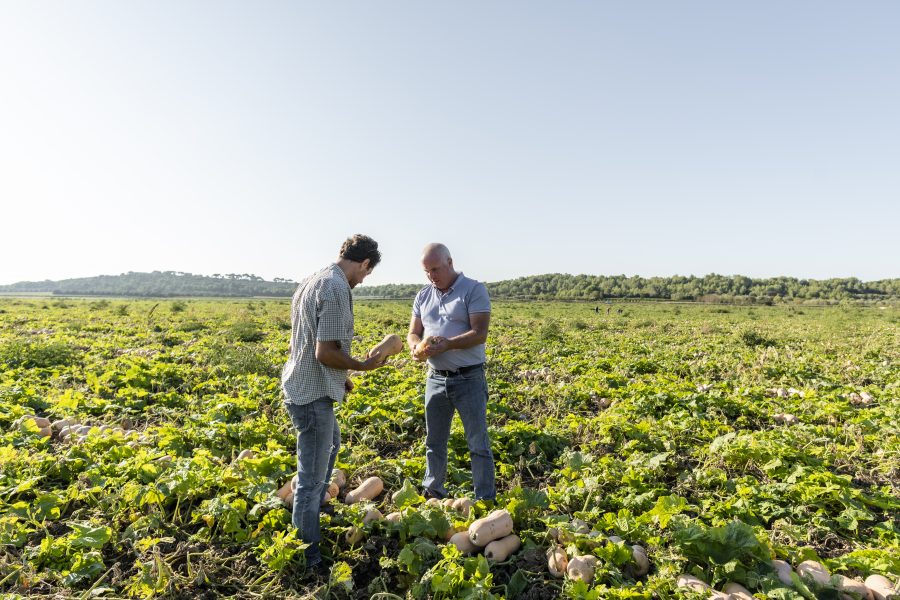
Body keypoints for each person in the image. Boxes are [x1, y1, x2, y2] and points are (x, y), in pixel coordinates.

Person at [281, 234, 385, 570]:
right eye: (367, 273)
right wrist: (363, 365)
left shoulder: (314, 279)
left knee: (331, 444)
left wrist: (343, 377)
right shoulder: (337, 288)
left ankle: (316, 512)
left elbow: (310, 343)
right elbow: (325, 352)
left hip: (305, 384)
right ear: (364, 263)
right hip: (311, 396)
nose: (363, 279)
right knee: (310, 481)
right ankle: (307, 556)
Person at [407, 243, 495, 501]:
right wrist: (415, 347)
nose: (432, 275)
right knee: (434, 442)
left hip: (468, 377)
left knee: (478, 443)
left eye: (435, 269)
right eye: (427, 271)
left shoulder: (473, 290)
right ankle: (433, 492)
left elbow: (480, 333)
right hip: (435, 379)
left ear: (450, 262)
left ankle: (485, 499)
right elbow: (413, 332)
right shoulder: (423, 295)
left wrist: (449, 344)